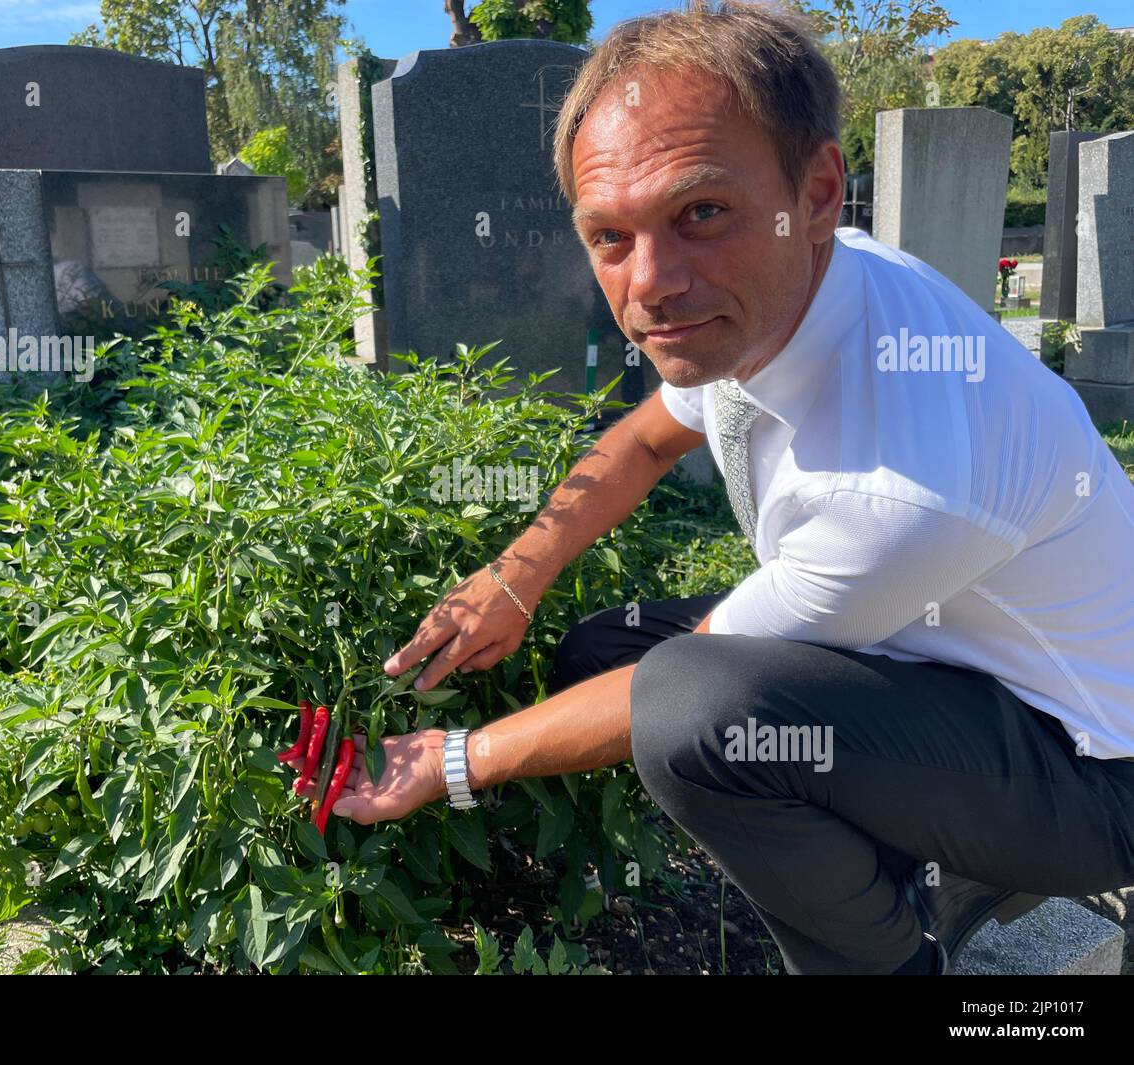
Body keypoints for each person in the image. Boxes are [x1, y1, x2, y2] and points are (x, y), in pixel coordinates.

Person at [283, 0, 1134, 975]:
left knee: (695, 713)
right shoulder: (784, 292)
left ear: (817, 193)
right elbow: (644, 441)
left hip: (1091, 771)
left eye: (699, 214)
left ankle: (893, 961)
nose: (650, 283)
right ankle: (890, 851)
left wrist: (448, 764)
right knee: (602, 651)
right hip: (941, 653)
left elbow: (677, 686)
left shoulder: (902, 481)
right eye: (609, 235)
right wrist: (512, 577)